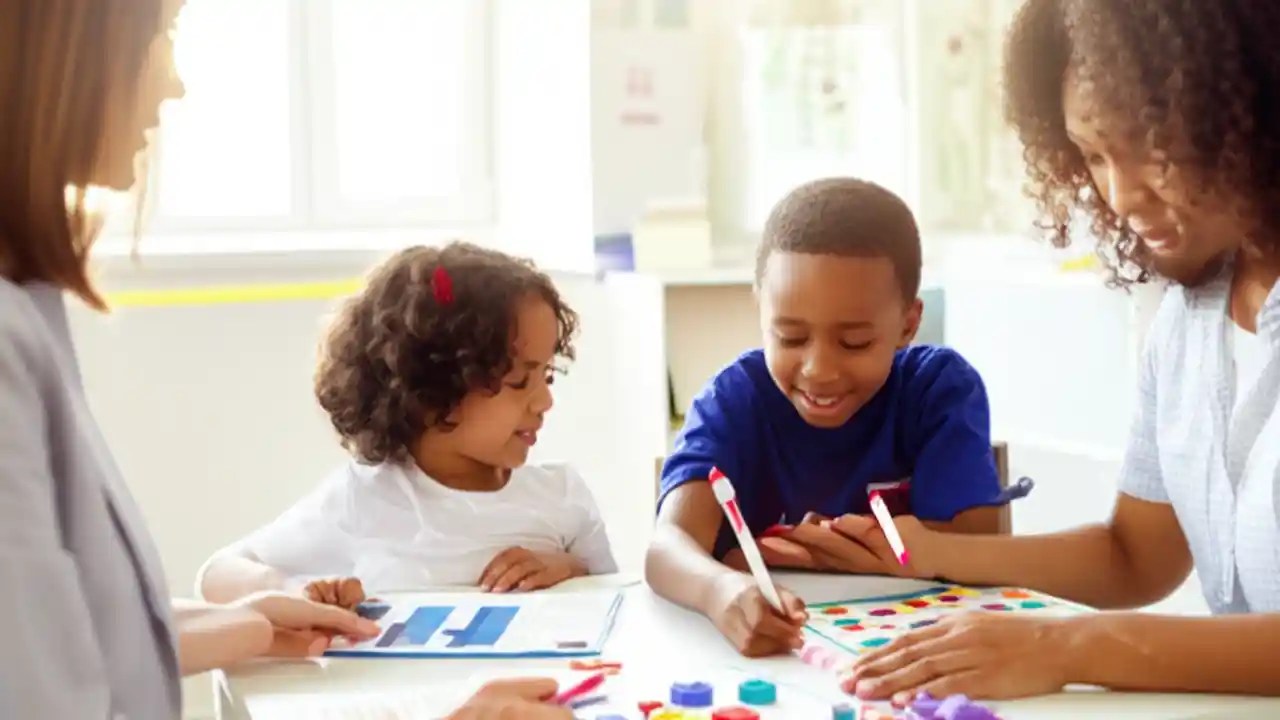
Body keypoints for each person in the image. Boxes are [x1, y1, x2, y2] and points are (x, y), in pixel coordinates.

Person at [0, 1, 570, 717]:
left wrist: (249, 623)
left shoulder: (26, 309)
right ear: (62, 47)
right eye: (160, 37)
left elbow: (72, 632)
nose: (172, 84)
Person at [826, 0, 1280, 704]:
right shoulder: (1188, 317)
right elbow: (1136, 554)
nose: (1122, 194)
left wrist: (1067, 645)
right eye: (1094, 155)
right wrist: (918, 554)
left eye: (1152, 145)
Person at [645, 178, 1005, 657]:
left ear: (907, 325)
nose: (819, 371)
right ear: (761, 310)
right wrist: (719, 590)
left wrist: (803, 552)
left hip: (910, 650)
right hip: (769, 658)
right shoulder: (734, 400)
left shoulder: (938, 392)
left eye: (854, 342)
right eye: (791, 338)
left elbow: (974, 549)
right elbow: (667, 547)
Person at [198, 242, 617, 606]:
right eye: (518, 381)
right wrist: (291, 589)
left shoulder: (562, 498)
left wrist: (570, 571)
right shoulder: (360, 502)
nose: (545, 400)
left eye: (546, 375)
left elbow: (619, 598)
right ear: (432, 388)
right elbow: (217, 575)